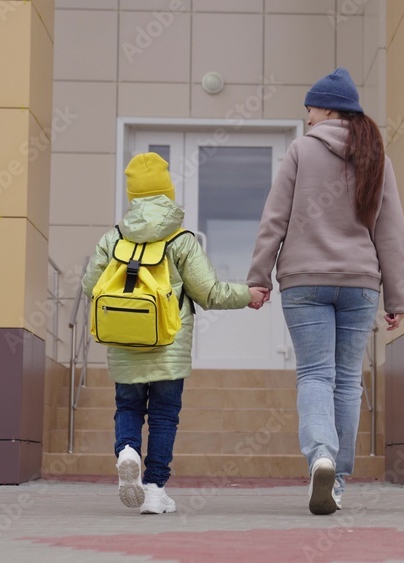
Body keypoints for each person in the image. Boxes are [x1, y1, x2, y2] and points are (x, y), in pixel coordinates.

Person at [247, 68, 404, 515]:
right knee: (346, 381)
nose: (308, 117)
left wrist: (258, 277)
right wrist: (397, 298)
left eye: (311, 108)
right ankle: (335, 478)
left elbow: (274, 218)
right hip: (360, 284)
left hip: (305, 280)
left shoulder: (301, 151)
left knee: (316, 374)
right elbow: (391, 233)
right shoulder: (378, 157)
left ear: (330, 108)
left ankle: (320, 453)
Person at [83, 152, 269, 515]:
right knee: (164, 416)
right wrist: (249, 294)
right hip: (169, 346)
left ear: (132, 195)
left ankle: (127, 451)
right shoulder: (181, 240)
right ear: (167, 192)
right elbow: (209, 292)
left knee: (128, 406)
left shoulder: (113, 237)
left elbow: (91, 286)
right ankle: (154, 490)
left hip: (124, 345)